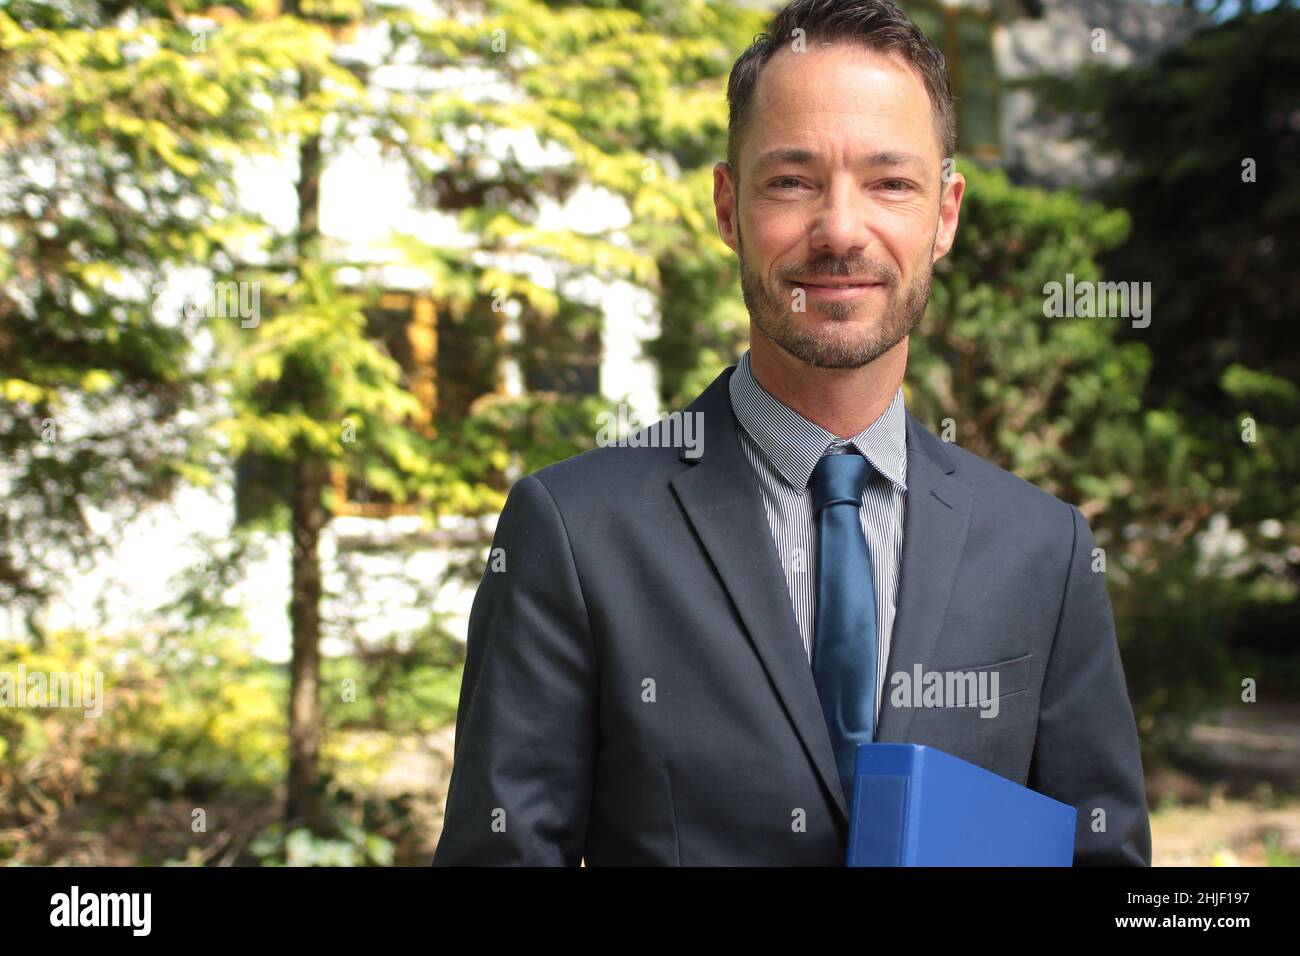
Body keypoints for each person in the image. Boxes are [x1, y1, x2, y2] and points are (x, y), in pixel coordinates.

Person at [433, 0, 1152, 866]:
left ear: (946, 213)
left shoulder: (1047, 550)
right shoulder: (573, 531)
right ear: (729, 208)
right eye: (793, 181)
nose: (842, 230)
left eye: (891, 182)